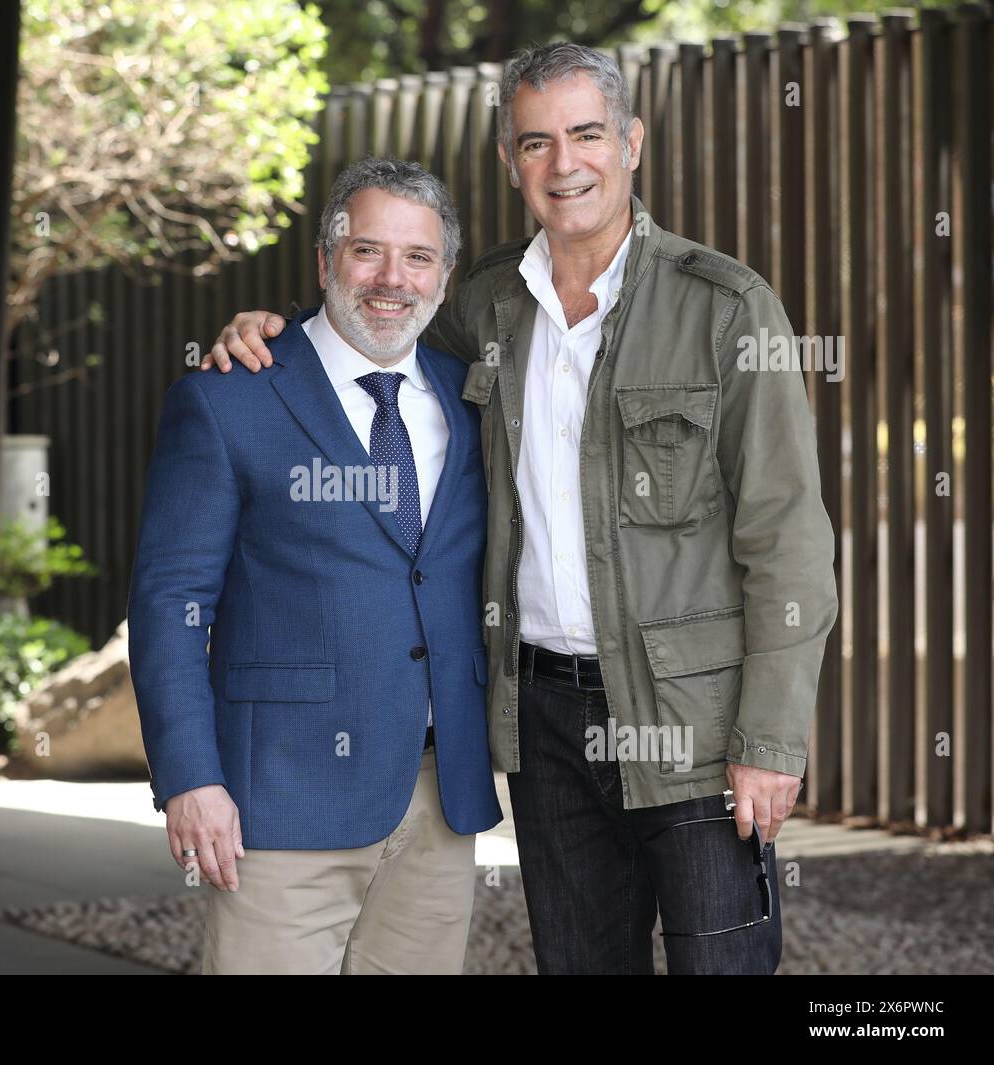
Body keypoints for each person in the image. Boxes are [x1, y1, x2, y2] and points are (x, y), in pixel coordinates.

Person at [199, 43, 839, 974]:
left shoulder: (727, 310)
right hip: (542, 720)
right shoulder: (488, 304)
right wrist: (272, 332)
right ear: (511, 161)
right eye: (536, 142)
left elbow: (787, 541)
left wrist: (772, 741)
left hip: (695, 723)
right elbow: (375, 324)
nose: (564, 163)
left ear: (632, 143)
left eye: (586, 134)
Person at [128, 157, 502, 975]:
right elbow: (169, 601)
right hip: (281, 798)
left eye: (418, 257)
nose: (391, 279)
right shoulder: (229, 396)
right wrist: (189, 777)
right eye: (367, 251)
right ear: (325, 260)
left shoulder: (472, 401)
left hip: (440, 802)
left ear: (445, 278)